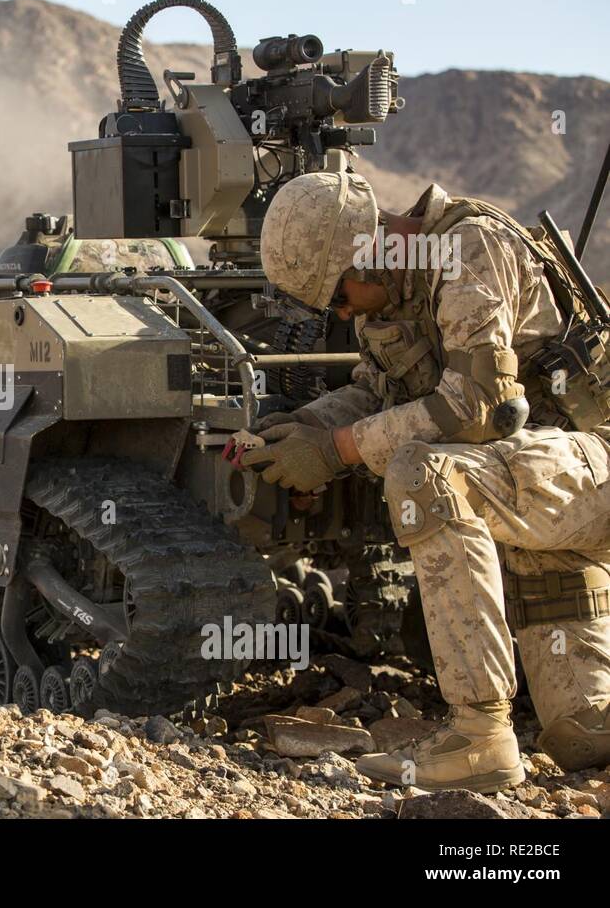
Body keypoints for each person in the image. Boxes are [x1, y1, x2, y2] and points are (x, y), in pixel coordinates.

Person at [240, 170, 610, 792]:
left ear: (373, 250)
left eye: (339, 297)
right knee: (582, 740)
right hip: (535, 518)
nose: (342, 313)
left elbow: (478, 408)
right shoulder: (391, 292)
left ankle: (479, 737)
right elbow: (374, 394)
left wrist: (334, 452)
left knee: (422, 475)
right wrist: (301, 430)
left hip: (587, 477)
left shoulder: (469, 249)